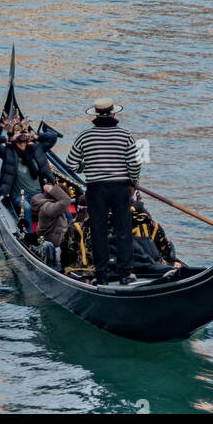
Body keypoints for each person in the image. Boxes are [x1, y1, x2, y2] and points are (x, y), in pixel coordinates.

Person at [66, 96, 141, 286]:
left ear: (96, 114)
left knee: (98, 231)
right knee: (123, 230)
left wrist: (88, 167)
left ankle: (102, 276)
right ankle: (125, 274)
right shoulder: (125, 135)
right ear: (114, 113)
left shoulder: (85, 136)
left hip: (96, 188)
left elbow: (71, 164)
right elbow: (134, 163)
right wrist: (132, 182)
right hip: (120, 187)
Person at [0, 117, 58, 224]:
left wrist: (37, 136)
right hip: (20, 196)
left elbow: (53, 137)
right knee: (26, 207)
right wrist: (7, 139)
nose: (22, 134)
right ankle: (28, 235)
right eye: (18, 133)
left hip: (38, 194)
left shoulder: (37, 149)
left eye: (24, 132)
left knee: (56, 205)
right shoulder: (8, 153)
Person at [31, 180, 72, 265]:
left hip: (57, 245)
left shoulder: (50, 204)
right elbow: (66, 201)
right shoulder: (48, 207)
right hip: (52, 248)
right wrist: (52, 190)